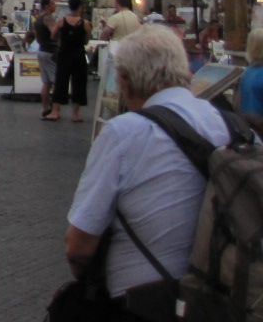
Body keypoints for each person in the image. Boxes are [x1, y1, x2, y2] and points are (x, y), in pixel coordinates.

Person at [66, 25, 236, 308]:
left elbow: (78, 247)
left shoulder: (123, 133)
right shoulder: (235, 128)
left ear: (124, 82)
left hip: (146, 302)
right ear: (186, 71)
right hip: (224, 300)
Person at [48, 0, 91, 123]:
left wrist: (62, 39)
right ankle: (75, 114)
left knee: (60, 81)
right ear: (80, 7)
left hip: (64, 54)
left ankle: (55, 111)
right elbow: (86, 41)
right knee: (79, 83)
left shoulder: (61, 21)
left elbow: (53, 35)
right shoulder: (85, 23)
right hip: (78, 54)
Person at [30, 0, 61, 119]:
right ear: (47, 6)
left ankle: (45, 108)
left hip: (42, 50)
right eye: (53, 3)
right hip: (51, 52)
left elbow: (37, 38)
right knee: (57, 82)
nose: (55, 5)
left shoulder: (37, 20)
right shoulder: (49, 18)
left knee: (46, 82)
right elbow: (54, 33)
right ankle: (55, 110)